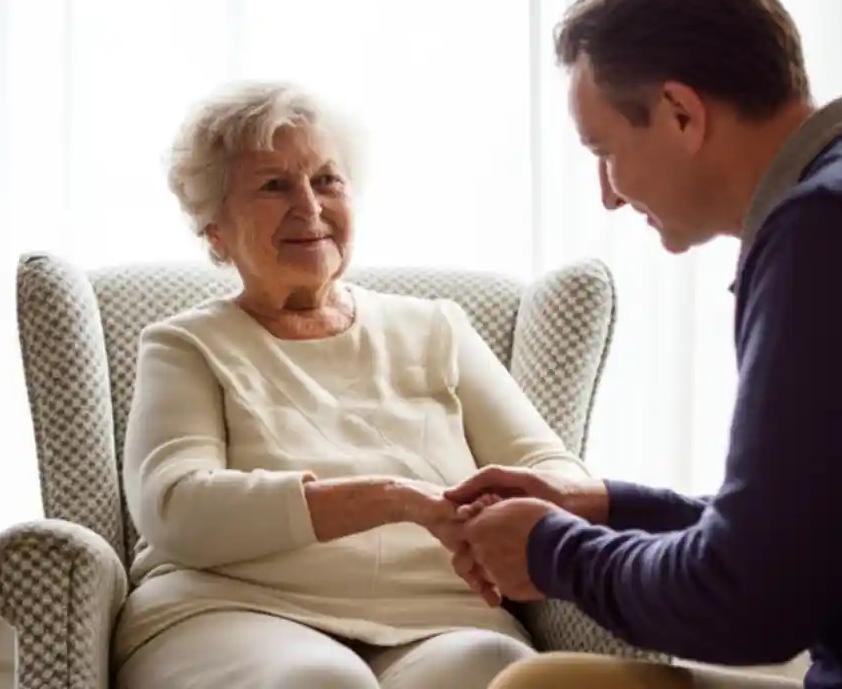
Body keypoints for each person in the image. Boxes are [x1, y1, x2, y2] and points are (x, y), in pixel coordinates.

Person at [447, 0, 842, 688]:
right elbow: (801, 533)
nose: (608, 194)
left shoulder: (832, 232)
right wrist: (604, 507)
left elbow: (750, 600)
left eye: (604, 152)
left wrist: (550, 552)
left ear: (680, 113)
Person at [113, 81, 593, 689]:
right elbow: (176, 509)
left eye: (326, 180)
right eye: (273, 185)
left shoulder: (436, 328)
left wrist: (512, 508)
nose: (309, 208)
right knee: (320, 681)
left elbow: (555, 469)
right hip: (233, 609)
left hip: (442, 616)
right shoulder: (186, 344)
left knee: (499, 673)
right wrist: (394, 498)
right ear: (215, 229)